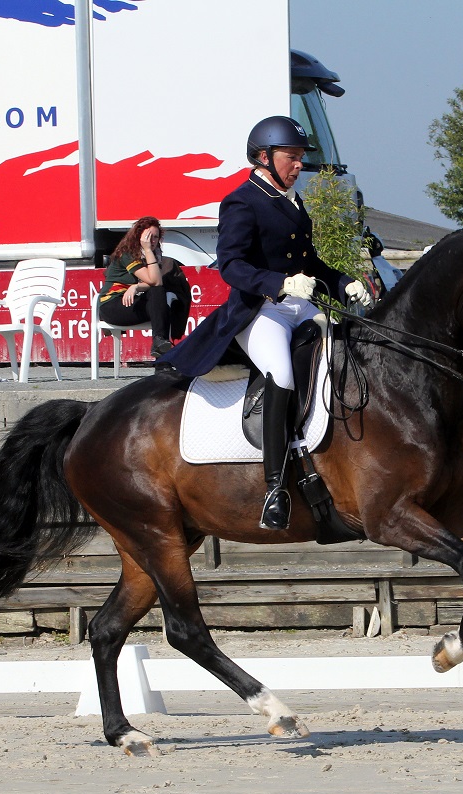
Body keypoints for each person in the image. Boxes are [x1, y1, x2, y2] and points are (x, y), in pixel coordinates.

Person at [158, 115, 371, 531]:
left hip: (300, 304)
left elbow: (309, 264)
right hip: (261, 310)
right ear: (264, 157)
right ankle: (276, 487)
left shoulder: (293, 200)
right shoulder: (242, 201)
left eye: (298, 158)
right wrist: (280, 282)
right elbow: (232, 266)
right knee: (282, 375)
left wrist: (345, 283)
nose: (298, 165)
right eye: (291, 157)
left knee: (348, 349)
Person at [98, 216, 190, 358]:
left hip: (131, 302)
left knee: (161, 303)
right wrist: (147, 250)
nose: (152, 241)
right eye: (148, 236)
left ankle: (161, 352)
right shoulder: (127, 253)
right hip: (112, 304)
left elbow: (156, 282)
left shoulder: (153, 255)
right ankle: (161, 349)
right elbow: (154, 280)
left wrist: (137, 287)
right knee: (159, 295)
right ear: (139, 236)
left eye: (155, 237)